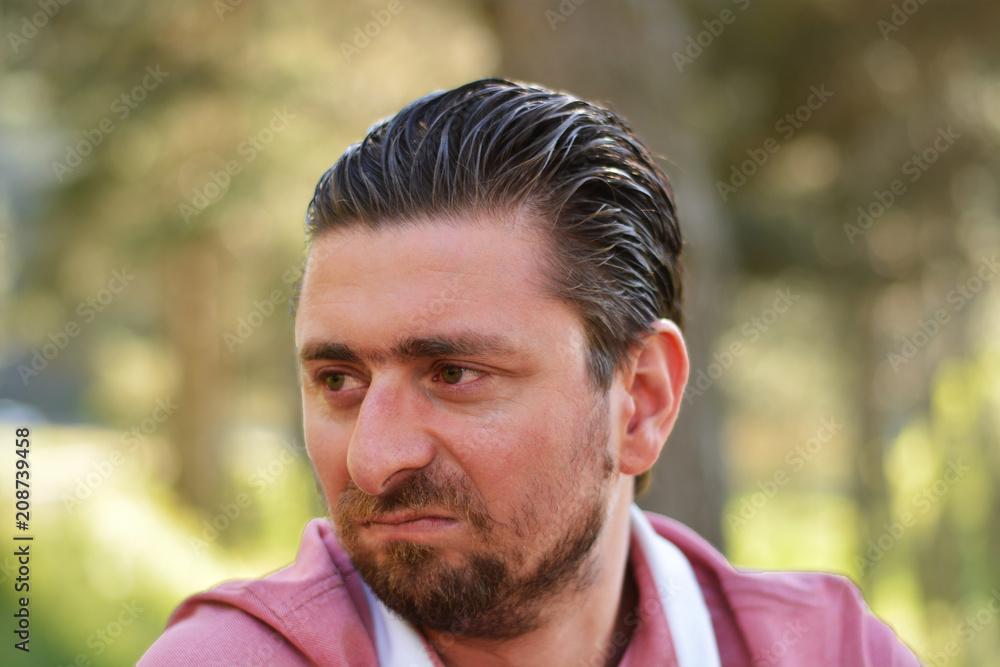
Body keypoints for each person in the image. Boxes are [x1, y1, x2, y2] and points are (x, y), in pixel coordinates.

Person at [139, 79, 920, 666]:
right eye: (340, 380)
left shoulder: (827, 649)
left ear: (641, 400)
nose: (374, 460)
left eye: (453, 372)